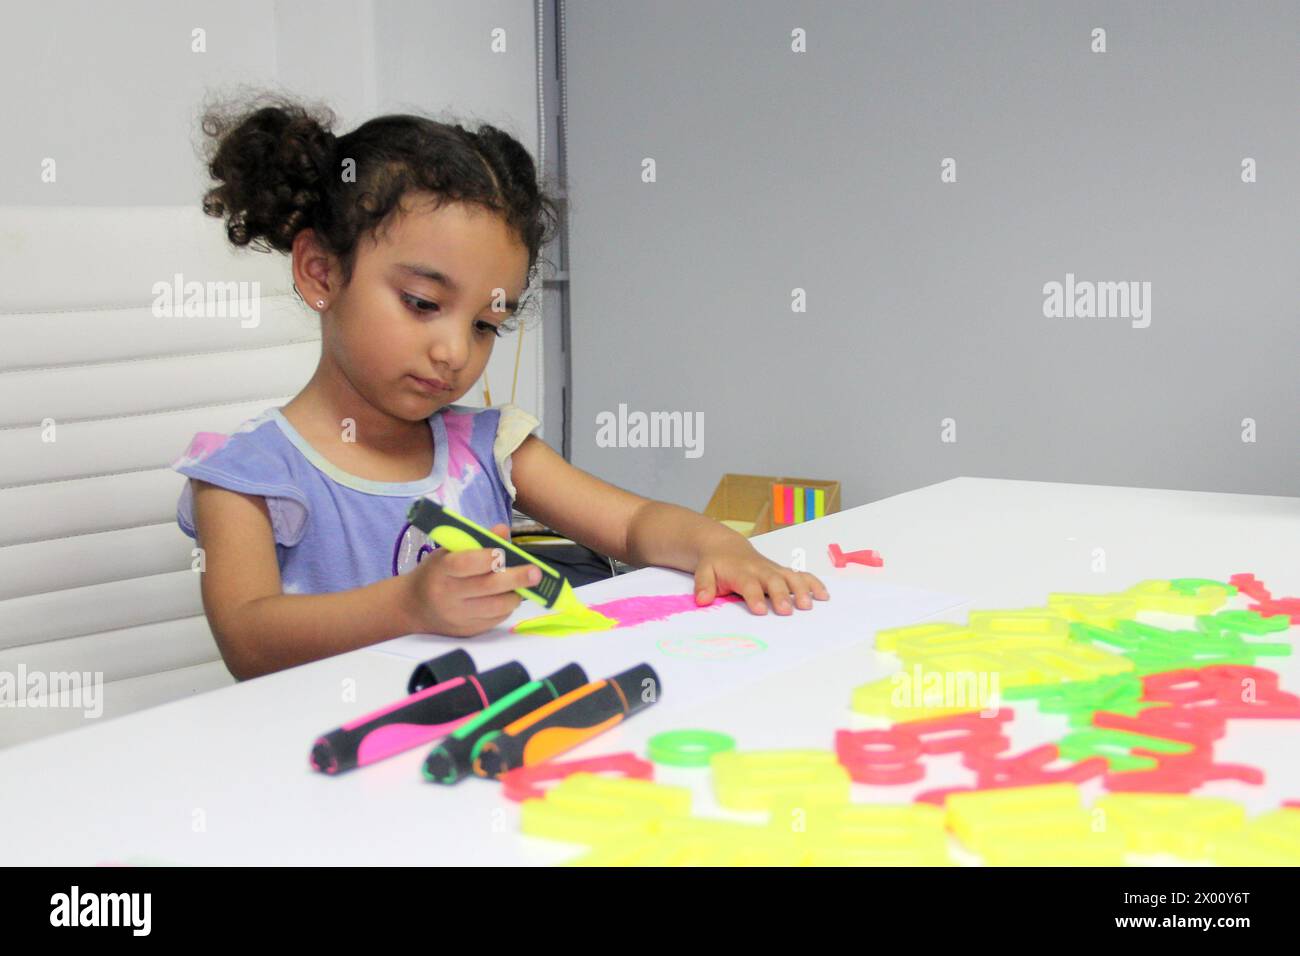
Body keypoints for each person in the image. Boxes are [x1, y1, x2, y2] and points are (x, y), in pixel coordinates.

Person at [172, 93, 828, 680]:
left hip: (483, 743)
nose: (455, 352)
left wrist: (720, 546)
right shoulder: (249, 475)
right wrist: (407, 604)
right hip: (328, 754)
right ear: (320, 271)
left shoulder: (490, 448)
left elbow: (632, 525)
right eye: (423, 303)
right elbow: (248, 641)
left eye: (486, 324)